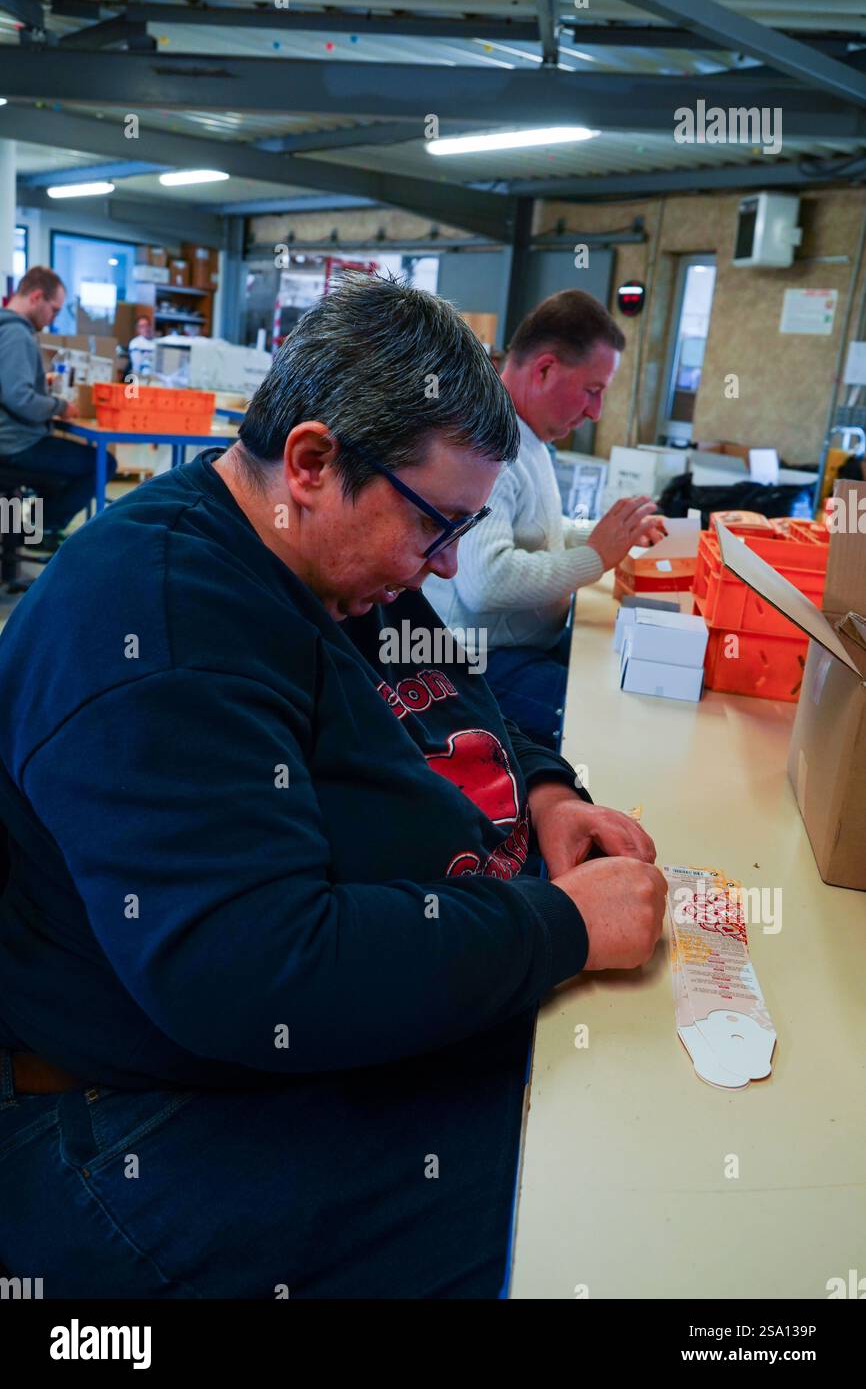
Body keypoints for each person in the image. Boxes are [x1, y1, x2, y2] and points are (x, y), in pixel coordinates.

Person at [0, 273, 666, 1299]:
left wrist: (545, 795)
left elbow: (456, 690)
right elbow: (259, 970)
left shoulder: (328, 559)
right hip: (133, 1124)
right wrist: (556, 930)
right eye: (435, 526)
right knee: (590, 1215)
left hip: (284, 1048)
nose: (442, 565)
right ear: (311, 462)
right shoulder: (158, 622)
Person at [425, 289, 667, 749]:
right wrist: (596, 556)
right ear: (545, 370)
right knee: (609, 722)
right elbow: (485, 580)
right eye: (592, 392)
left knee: (615, 682)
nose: (595, 412)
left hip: (515, 648)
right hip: (479, 662)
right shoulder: (490, 442)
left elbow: (530, 533)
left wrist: (611, 536)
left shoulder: (525, 436)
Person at [0, 266, 117, 536]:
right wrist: (60, 406)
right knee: (102, 463)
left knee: (65, 468)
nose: (53, 318)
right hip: (16, 444)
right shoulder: (16, 334)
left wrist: (43, 386)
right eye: (54, 309)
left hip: (9, 439)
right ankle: (43, 531)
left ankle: (23, 530)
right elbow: (19, 397)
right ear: (36, 296)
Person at [127, 313, 156, 379]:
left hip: (155, 378)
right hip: (140, 378)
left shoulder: (157, 342)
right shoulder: (135, 343)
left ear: (151, 326)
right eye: (142, 326)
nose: (145, 328)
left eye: (147, 325)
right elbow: (137, 366)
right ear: (138, 329)